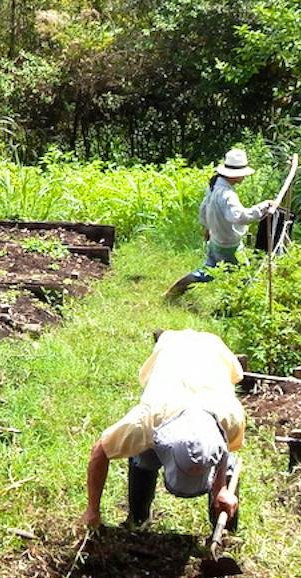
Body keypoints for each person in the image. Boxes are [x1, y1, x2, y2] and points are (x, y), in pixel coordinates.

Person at [81, 329, 245, 535]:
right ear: (163, 446)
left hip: (215, 350)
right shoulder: (147, 421)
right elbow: (99, 451)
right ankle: (138, 519)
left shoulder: (230, 415)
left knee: (228, 469)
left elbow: (224, 447)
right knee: (143, 458)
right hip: (172, 349)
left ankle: (225, 531)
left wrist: (220, 487)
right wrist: (92, 510)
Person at [167, 148, 277, 297]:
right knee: (245, 276)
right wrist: (263, 207)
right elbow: (239, 217)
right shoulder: (227, 194)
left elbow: (204, 208)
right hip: (228, 244)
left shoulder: (214, 186)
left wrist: (207, 228)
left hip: (216, 240)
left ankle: (178, 288)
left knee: (209, 270)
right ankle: (243, 303)